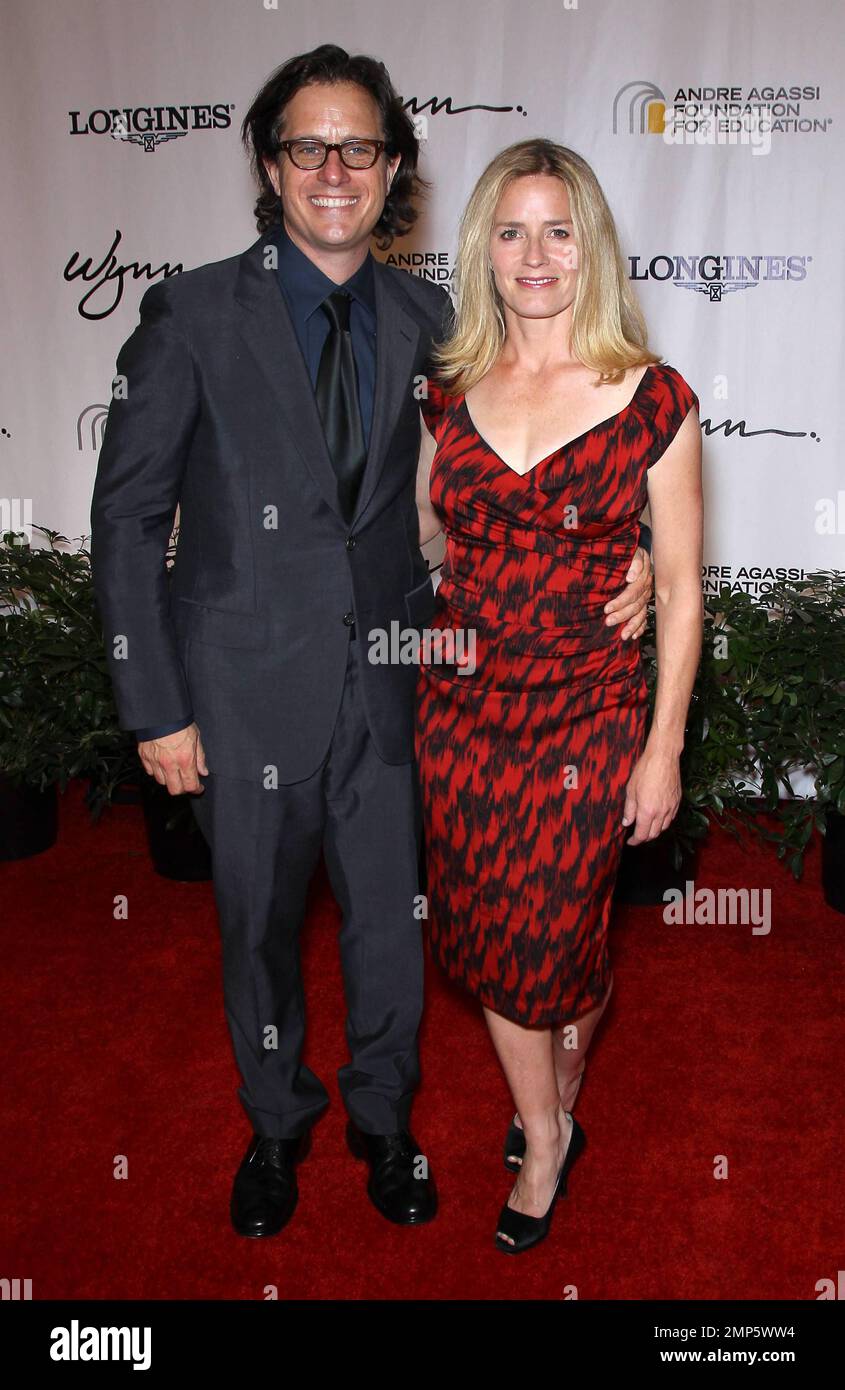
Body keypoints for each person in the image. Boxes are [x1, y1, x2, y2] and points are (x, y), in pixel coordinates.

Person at [90, 45, 652, 1241]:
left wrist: (632, 557)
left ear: (394, 166)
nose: (333, 169)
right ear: (269, 160)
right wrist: (156, 708)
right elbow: (128, 519)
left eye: (359, 147)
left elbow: (535, 467)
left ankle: (384, 1126)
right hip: (239, 695)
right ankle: (275, 1123)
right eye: (308, 145)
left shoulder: (438, 320)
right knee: (253, 927)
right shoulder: (189, 315)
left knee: (394, 927)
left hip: (409, 686)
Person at [415, 139, 703, 1254]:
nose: (534, 254)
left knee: (555, 939)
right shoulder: (445, 393)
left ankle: (549, 1107)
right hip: (461, 714)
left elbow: (679, 593)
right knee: (492, 936)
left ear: (591, 245)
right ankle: (544, 1126)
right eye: (509, 230)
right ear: (481, 248)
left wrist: (662, 745)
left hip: (589, 712)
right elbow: (427, 540)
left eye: (557, 229)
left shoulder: (652, 397)